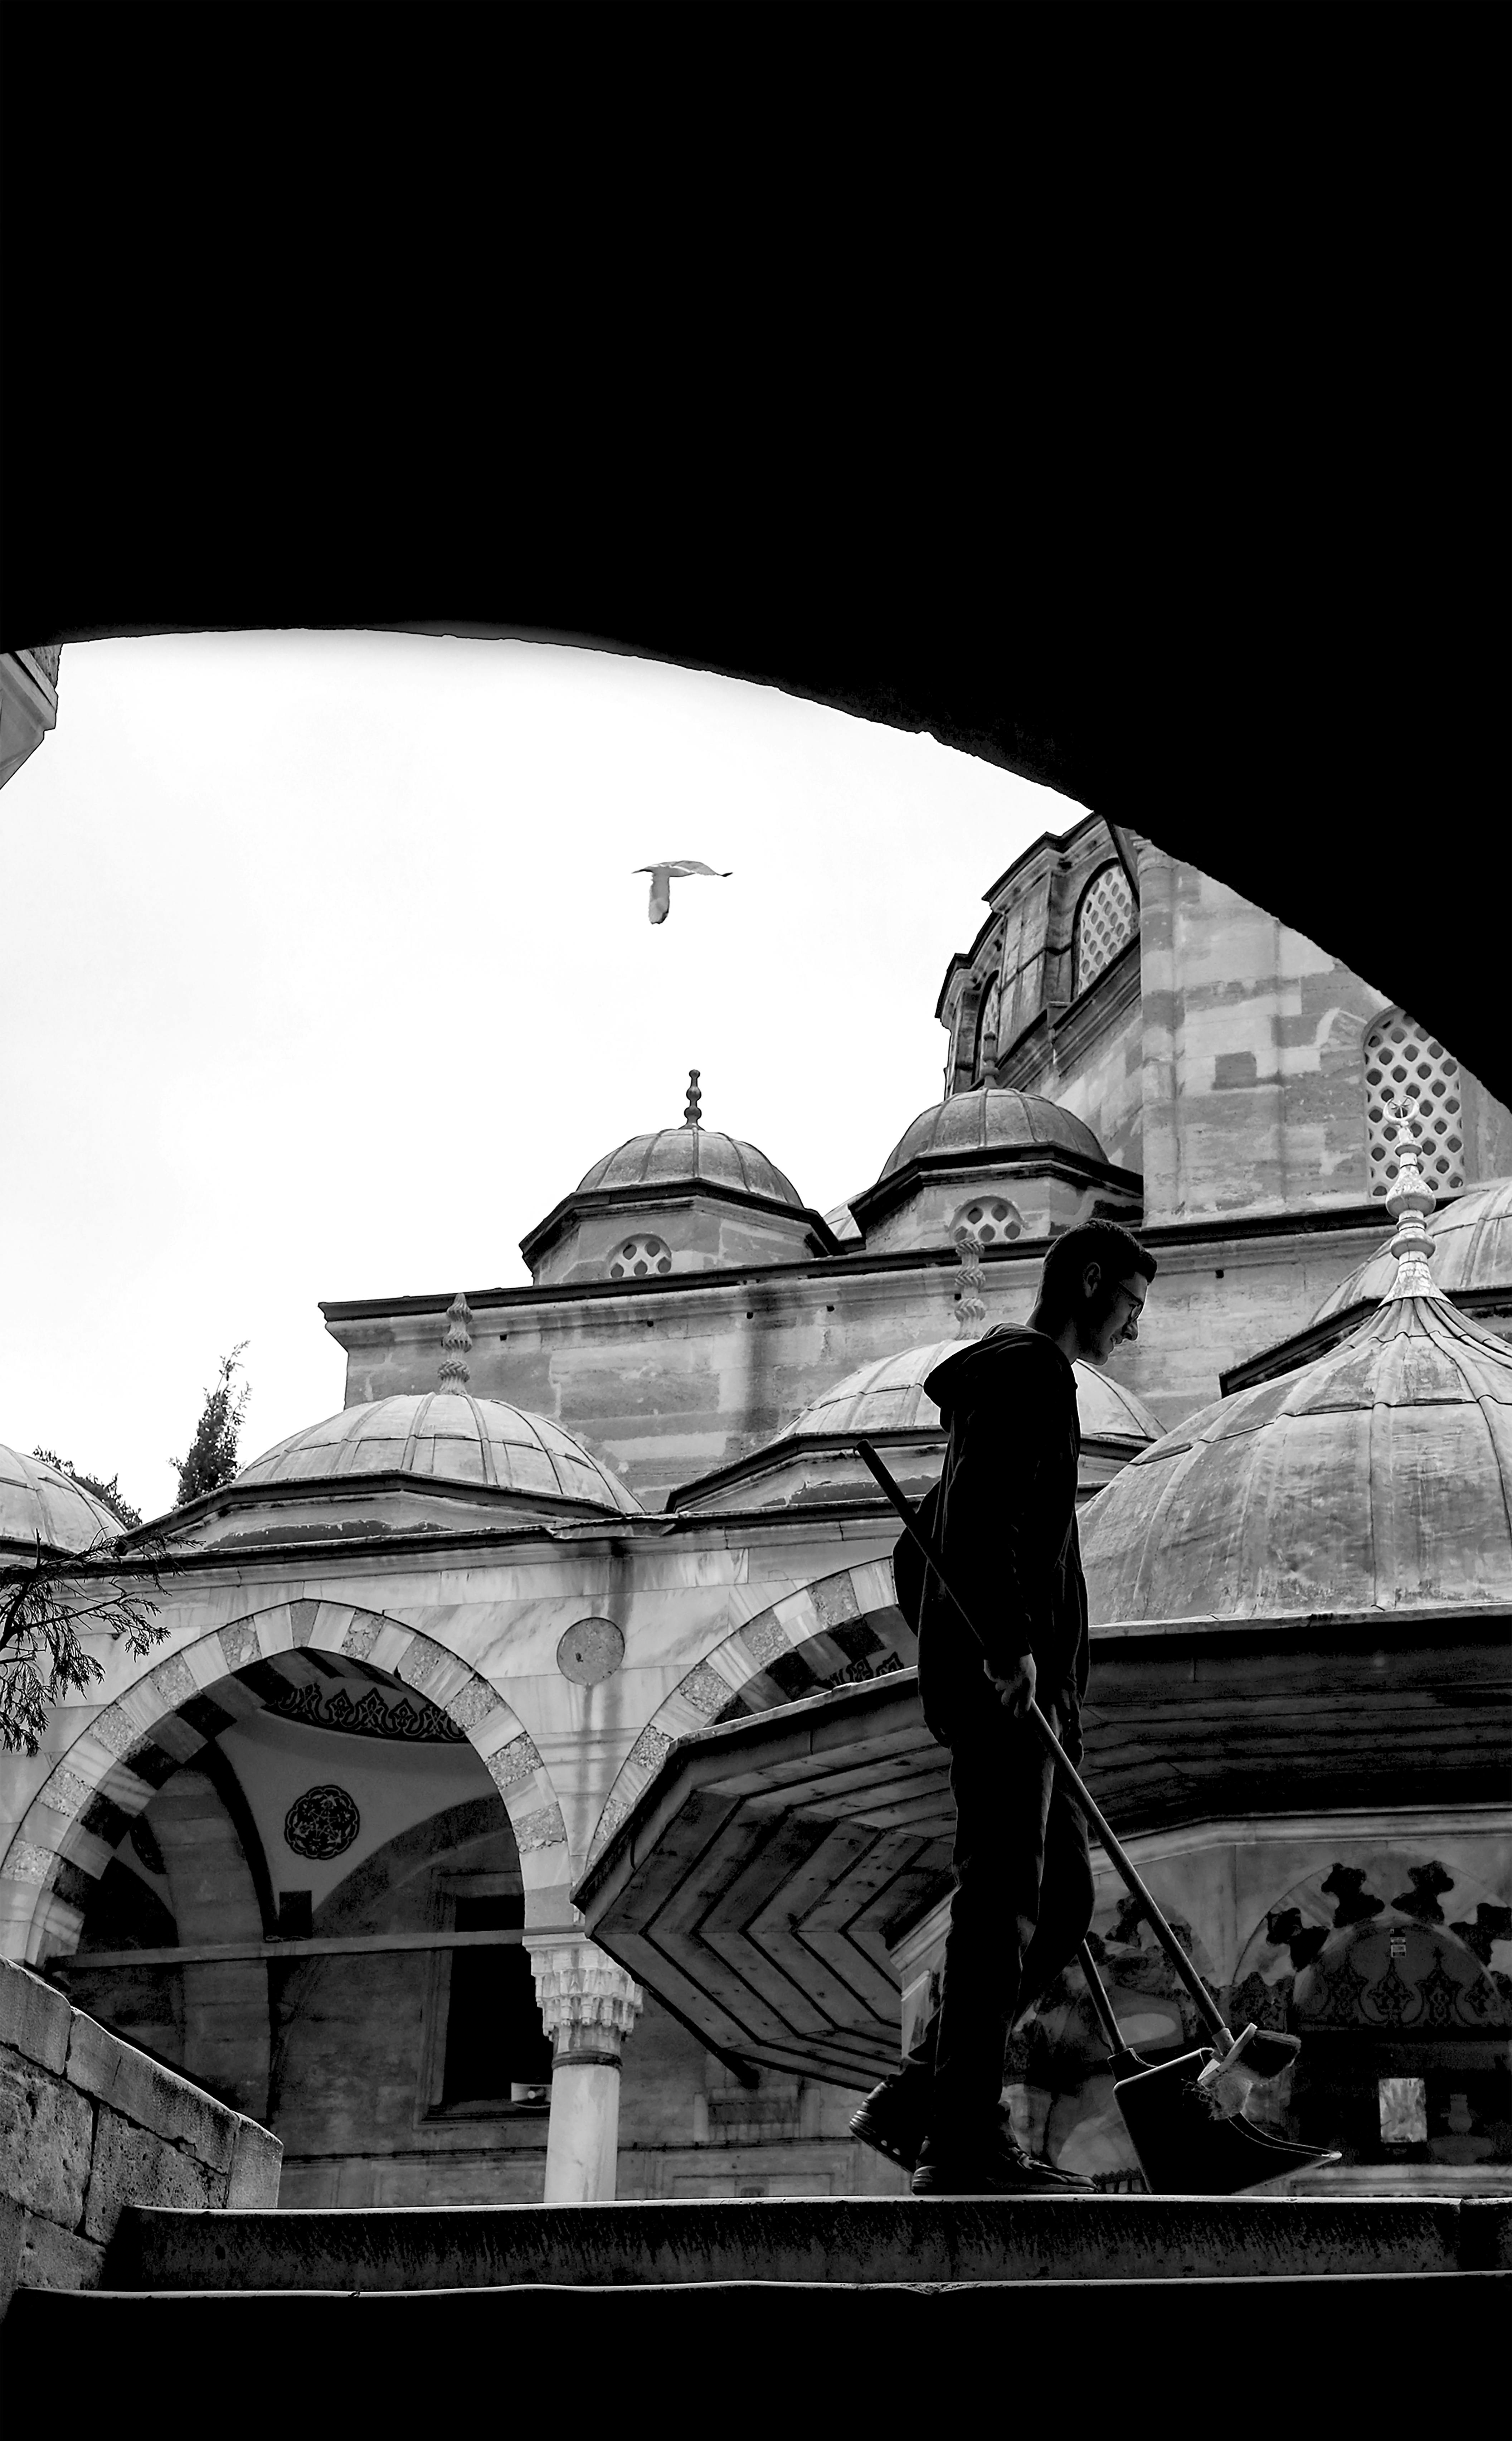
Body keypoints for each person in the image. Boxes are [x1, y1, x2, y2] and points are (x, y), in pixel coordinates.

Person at [850, 1218, 1156, 2194]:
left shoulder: (1011, 1385)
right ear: (1093, 1278)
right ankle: (963, 2138)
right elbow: (983, 1515)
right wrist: (1004, 1643)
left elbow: (924, 1550)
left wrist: (997, 1643)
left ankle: (925, 2090)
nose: (1134, 1331)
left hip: (1032, 1687)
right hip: (1012, 1684)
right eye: (1130, 1306)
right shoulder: (1027, 1368)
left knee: (1057, 1898)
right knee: (1000, 1897)